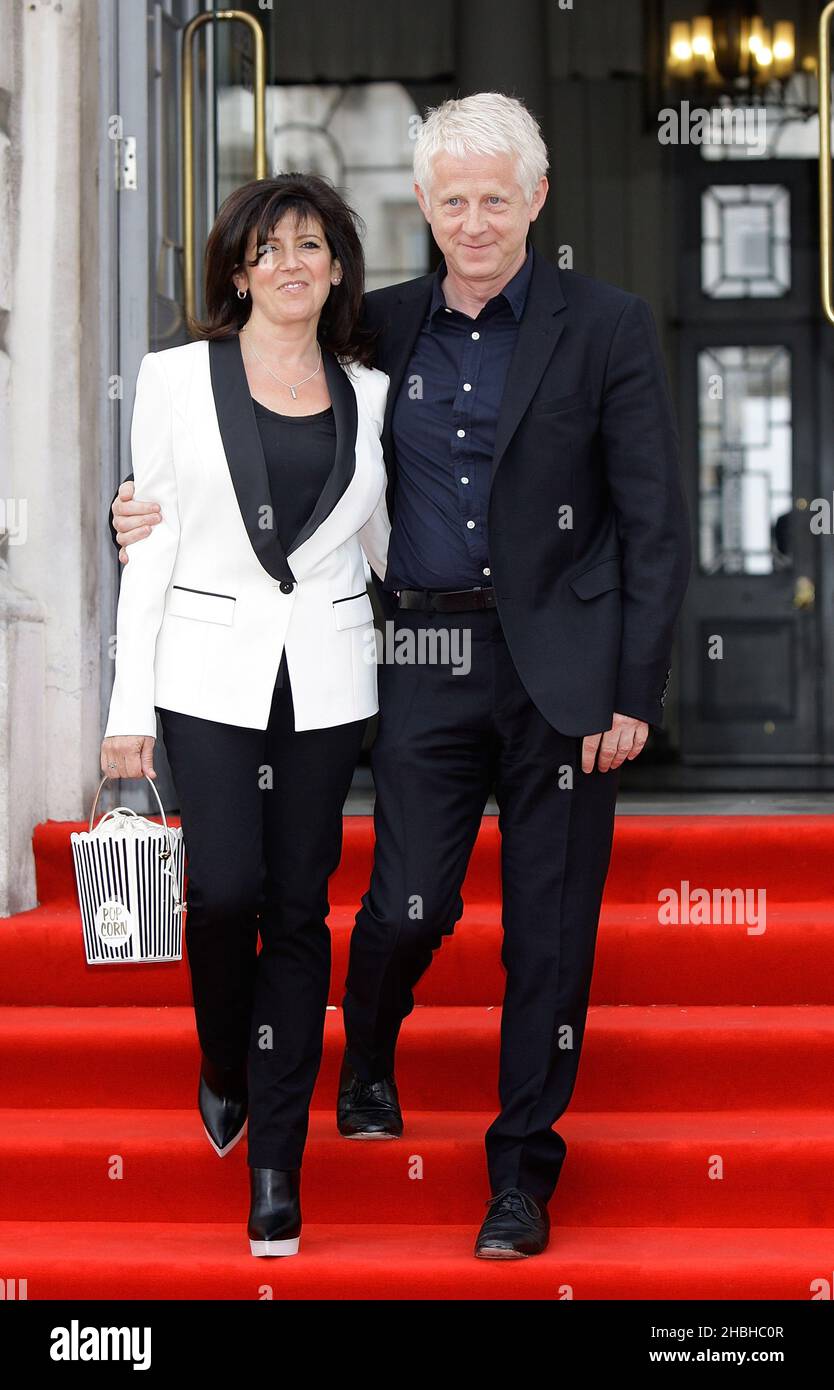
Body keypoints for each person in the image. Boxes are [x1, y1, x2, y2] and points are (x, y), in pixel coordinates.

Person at [111, 92, 691, 1260]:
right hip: (421, 659)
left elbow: (654, 521)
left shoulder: (610, 325)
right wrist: (130, 514)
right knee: (408, 903)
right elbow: (266, 451)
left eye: (496, 197)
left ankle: (521, 1175)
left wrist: (634, 690)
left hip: (566, 677)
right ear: (423, 206)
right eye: (453, 199)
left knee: (551, 933)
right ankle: (365, 1046)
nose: (474, 220)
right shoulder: (374, 331)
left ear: (537, 200)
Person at [101, 173, 390, 1258]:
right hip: (205, 675)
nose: (291, 264)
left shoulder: (370, 390)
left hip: (325, 682)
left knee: (302, 908)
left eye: (311, 245)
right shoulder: (177, 378)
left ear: (336, 268)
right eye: (269, 249)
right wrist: (126, 713)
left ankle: (276, 1165)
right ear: (238, 272)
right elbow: (152, 543)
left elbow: (382, 541)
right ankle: (225, 1054)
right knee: (225, 893)